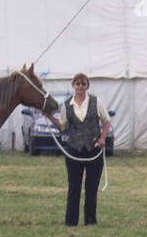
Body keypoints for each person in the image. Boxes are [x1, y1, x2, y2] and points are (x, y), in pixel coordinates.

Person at [46, 72, 111, 227]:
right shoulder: (67, 105)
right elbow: (62, 125)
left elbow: (106, 121)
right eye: (78, 84)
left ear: (87, 86)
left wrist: (102, 138)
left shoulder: (96, 102)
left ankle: (90, 220)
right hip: (74, 150)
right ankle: (71, 221)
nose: (80, 87)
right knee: (74, 187)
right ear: (73, 85)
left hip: (93, 150)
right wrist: (49, 117)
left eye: (83, 84)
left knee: (91, 187)